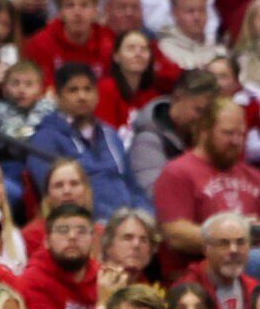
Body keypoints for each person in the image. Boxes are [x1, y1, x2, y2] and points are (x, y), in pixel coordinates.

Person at [28, 63, 150, 221]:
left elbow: (133, 186)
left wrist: (146, 217)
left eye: (88, 89)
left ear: (97, 95)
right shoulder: (45, 139)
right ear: (57, 97)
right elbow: (54, 196)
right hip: (85, 226)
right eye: (73, 90)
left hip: (127, 223)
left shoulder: (111, 134)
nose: (82, 96)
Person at [154, 99, 260, 260]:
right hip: (199, 272)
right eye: (228, 133)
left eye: (241, 134)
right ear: (204, 131)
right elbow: (175, 234)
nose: (236, 141)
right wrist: (238, 233)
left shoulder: (253, 176)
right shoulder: (178, 172)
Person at [18, 203, 107, 309]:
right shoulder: (32, 282)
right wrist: (102, 306)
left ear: (92, 240)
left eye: (81, 231)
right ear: (47, 241)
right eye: (63, 230)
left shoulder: (104, 278)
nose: (72, 236)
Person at [130, 67, 217, 195]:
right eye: (198, 110)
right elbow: (156, 195)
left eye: (209, 113)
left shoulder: (205, 135)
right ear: (177, 97)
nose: (203, 119)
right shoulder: (147, 139)